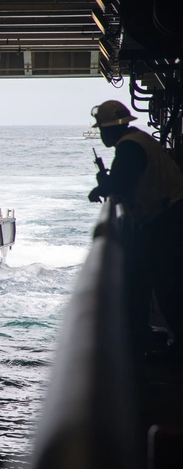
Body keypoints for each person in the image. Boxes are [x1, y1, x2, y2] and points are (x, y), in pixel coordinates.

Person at [87, 99, 183, 359]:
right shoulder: (137, 140)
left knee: (166, 284)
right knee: (155, 279)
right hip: (165, 215)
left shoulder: (129, 147)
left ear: (111, 129)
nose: (102, 134)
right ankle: (147, 333)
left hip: (164, 219)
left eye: (103, 130)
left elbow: (119, 181)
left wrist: (100, 188)